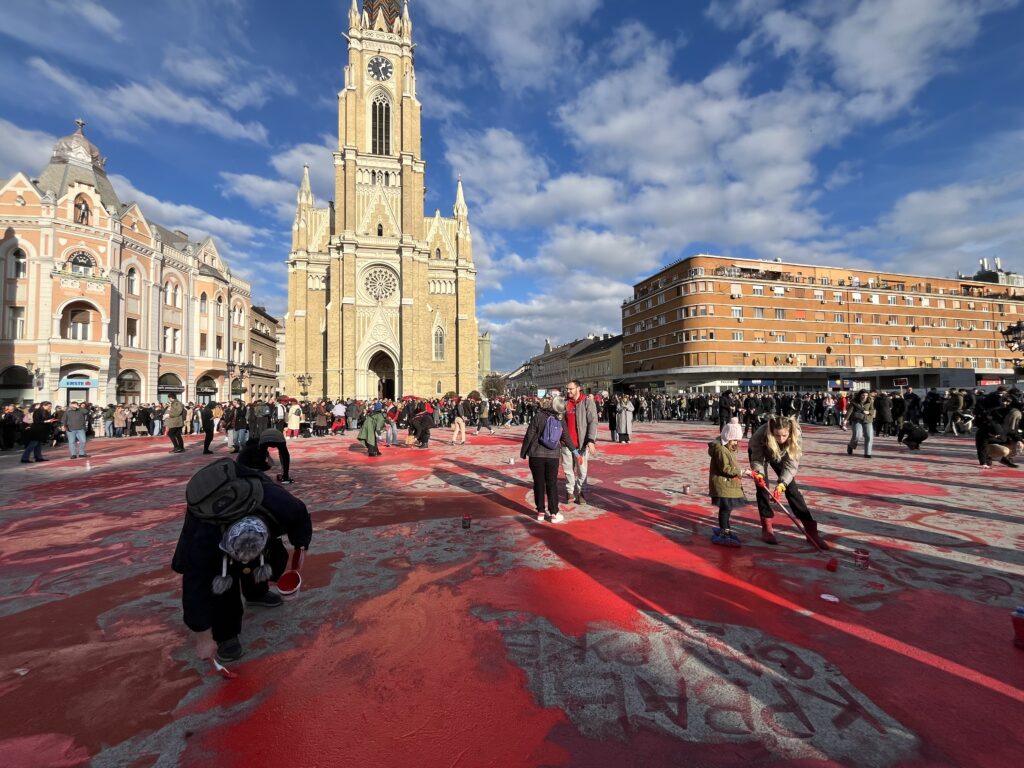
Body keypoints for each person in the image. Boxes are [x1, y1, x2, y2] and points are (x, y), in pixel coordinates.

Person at [172, 463, 313, 663]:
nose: (246, 560)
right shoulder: (206, 535)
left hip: (252, 496)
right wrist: (203, 637)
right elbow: (195, 585)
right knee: (220, 583)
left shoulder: (277, 502)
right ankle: (226, 634)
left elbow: (300, 517)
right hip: (208, 498)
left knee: (271, 560)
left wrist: (300, 550)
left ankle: (256, 591)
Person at [749, 415, 829, 549]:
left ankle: (811, 531)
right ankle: (767, 528)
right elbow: (757, 459)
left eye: (784, 435)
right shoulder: (760, 435)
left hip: (783, 456)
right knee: (762, 488)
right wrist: (759, 474)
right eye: (777, 436)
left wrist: (782, 484)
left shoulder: (796, 435)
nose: (781, 439)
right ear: (772, 432)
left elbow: (791, 465)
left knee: (792, 490)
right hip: (762, 454)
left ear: (789, 432)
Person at [520, 394, 570, 523]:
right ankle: (554, 513)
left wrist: (524, 452)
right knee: (552, 484)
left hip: (536, 454)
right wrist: (575, 451)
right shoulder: (560, 418)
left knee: (538, 483)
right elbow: (566, 437)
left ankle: (540, 512)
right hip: (553, 455)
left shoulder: (538, 416)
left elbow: (529, 434)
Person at [708, 418, 748, 547]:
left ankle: (726, 529)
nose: (736, 443)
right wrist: (741, 472)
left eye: (737, 440)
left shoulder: (726, 449)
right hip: (723, 485)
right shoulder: (721, 450)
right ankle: (724, 531)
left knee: (727, 509)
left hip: (727, 485)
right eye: (734, 440)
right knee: (725, 509)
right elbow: (725, 468)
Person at [562, 380, 599, 505]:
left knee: (582, 470)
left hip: (581, 443)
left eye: (571, 389)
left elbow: (593, 422)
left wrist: (591, 440)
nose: (568, 391)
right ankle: (570, 491)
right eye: (567, 389)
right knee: (568, 469)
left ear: (578, 388)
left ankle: (581, 492)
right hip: (566, 443)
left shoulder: (587, 402)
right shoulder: (565, 403)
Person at [846, 390, 874, 458]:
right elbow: (849, 411)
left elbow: (873, 410)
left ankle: (867, 453)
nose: (865, 397)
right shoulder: (854, 401)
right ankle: (851, 446)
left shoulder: (870, 401)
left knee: (869, 436)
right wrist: (845, 420)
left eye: (866, 395)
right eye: (863, 395)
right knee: (857, 435)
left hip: (868, 420)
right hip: (857, 420)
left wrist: (869, 412)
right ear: (859, 395)